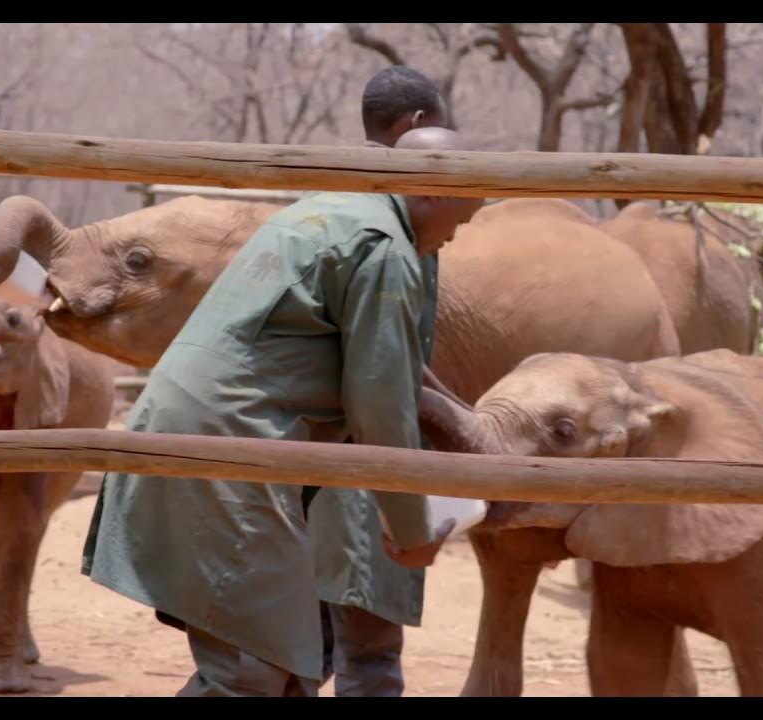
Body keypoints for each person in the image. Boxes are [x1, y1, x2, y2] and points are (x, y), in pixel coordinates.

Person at [75, 126, 485, 697]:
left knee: (289, 667)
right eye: (460, 221)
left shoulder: (326, 211)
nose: (450, 240)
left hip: (204, 434)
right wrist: (411, 529)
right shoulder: (383, 245)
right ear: (433, 194)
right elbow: (380, 404)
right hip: (233, 448)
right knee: (250, 671)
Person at [308, 65, 451, 698]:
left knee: (298, 649)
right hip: (362, 461)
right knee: (369, 658)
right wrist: (409, 515)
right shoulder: (403, 218)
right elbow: (381, 380)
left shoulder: (323, 195)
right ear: (418, 126)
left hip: (298, 462)